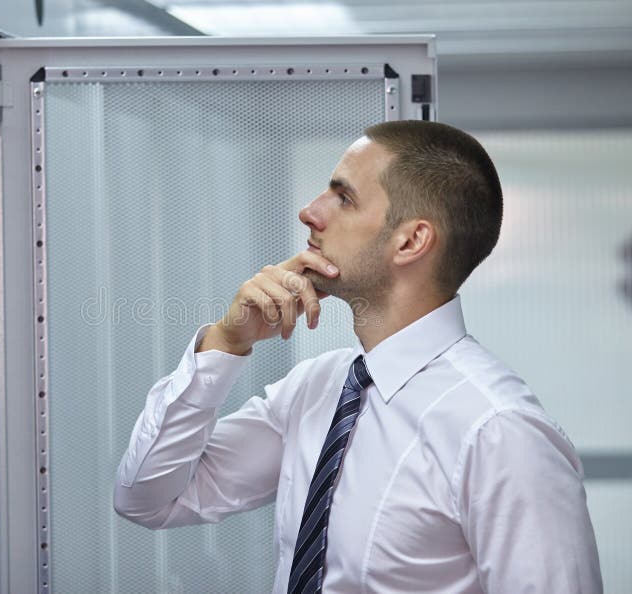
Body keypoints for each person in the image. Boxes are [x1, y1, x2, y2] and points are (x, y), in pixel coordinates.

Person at [114, 120, 602, 593]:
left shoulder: (498, 431)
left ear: (411, 241)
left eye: (343, 197)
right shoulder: (318, 389)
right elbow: (149, 499)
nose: (310, 212)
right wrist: (226, 341)